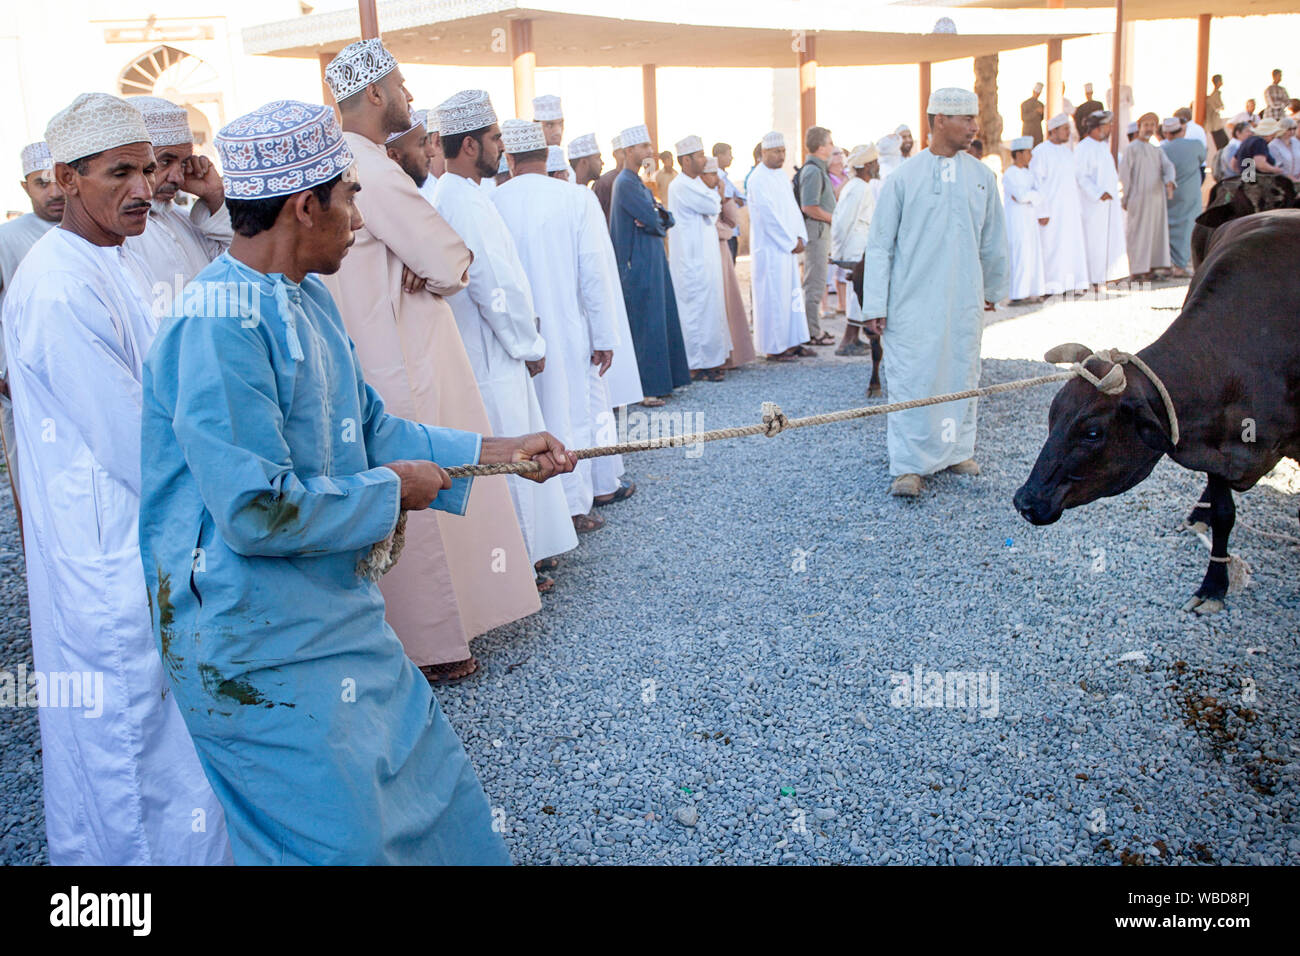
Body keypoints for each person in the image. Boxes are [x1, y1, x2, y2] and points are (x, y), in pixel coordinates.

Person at [140, 99, 576, 865]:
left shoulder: (306, 297)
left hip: (335, 616)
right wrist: (390, 492)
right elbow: (255, 510)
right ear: (304, 207)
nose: (357, 211)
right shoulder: (215, 326)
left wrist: (505, 451)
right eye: (348, 195)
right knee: (334, 844)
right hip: (252, 645)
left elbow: (369, 428)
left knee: (432, 801)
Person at [3, 92, 229, 865]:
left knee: (164, 736)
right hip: (108, 549)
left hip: (142, 534)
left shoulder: (112, 257)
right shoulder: (59, 283)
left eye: (146, 168)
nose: (142, 188)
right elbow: (134, 439)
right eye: (117, 174)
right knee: (129, 744)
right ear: (65, 179)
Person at [323, 43, 543, 677]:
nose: (409, 98)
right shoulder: (373, 166)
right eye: (400, 85)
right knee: (421, 489)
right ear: (373, 95)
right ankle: (435, 645)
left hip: (364, 357)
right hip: (399, 361)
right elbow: (450, 261)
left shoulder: (347, 163)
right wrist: (431, 268)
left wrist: (421, 266)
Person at [429, 96, 582, 552]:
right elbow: (494, 287)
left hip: (489, 352)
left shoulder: (463, 195)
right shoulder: (464, 201)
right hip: (494, 356)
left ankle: (527, 561)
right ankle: (523, 568)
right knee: (512, 461)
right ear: (472, 145)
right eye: (496, 138)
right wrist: (529, 345)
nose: (502, 146)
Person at [861, 88, 1008, 498]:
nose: (974, 127)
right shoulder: (903, 178)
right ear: (939, 120)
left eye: (975, 119)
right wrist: (875, 303)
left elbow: (993, 239)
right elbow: (879, 244)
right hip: (911, 301)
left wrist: (993, 286)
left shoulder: (981, 176)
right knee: (913, 378)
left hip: (963, 297)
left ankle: (956, 450)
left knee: (961, 370)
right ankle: (909, 466)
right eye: (966, 119)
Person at [494, 119, 634, 526]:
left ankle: (545, 521)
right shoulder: (575, 198)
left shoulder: (494, 201)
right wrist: (604, 336)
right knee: (573, 416)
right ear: (545, 154)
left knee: (531, 419)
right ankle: (574, 509)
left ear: (510, 157)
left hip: (517, 336)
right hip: (570, 331)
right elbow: (594, 273)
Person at [0, 141, 64, 522]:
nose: (53, 192)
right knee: (35, 486)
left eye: (57, 180)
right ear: (25, 188)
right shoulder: (8, 238)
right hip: (23, 383)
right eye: (41, 183)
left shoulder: (95, 231)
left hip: (75, 376)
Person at [609, 123, 691, 406]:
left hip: (652, 261)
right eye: (644, 147)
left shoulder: (636, 182)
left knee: (661, 320)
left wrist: (655, 217)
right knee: (647, 326)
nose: (650, 151)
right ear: (629, 150)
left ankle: (665, 382)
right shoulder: (625, 183)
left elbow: (663, 217)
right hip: (639, 265)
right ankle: (647, 389)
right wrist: (655, 218)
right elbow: (654, 219)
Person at [122, 96, 231, 302]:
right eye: (165, 161)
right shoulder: (114, 235)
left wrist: (215, 196)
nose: (178, 178)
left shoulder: (183, 221)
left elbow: (241, 269)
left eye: (184, 163)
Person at [567, 133, 645, 411]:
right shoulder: (574, 197)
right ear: (585, 161)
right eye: (598, 157)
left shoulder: (586, 193)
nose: (602, 161)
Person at [667, 134, 730, 382]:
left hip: (706, 258)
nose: (704, 159)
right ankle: (695, 364)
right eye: (699, 155)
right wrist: (716, 197)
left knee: (709, 309)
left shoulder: (696, 185)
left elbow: (711, 211)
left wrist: (713, 200)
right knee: (694, 312)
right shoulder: (680, 185)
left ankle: (711, 362)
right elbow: (713, 207)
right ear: (686, 160)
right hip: (690, 261)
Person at [747, 131, 809, 362]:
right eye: (776, 152)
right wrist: (790, 241)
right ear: (764, 153)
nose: (781, 156)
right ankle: (775, 347)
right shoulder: (757, 179)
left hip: (789, 248)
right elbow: (768, 217)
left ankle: (793, 342)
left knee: (791, 296)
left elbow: (793, 209)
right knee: (774, 298)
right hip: (772, 250)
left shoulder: (781, 176)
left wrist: (800, 237)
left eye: (783, 151)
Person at [701, 156, 755, 369]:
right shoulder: (700, 194)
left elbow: (732, 221)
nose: (715, 178)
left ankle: (731, 354)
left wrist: (724, 197)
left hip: (722, 248)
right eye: (711, 174)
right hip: (709, 251)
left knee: (728, 299)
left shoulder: (718, 193)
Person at [1030, 114, 1089, 295]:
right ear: (1053, 131)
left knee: (1071, 246)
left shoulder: (1067, 151)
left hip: (1069, 210)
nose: (1068, 133)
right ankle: (1052, 286)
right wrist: (1041, 211)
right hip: (1051, 211)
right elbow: (1035, 183)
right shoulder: (1040, 152)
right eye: (1065, 129)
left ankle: (1071, 284)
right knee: (1052, 248)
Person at [830, 142, 879, 354]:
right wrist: (838, 253)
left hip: (860, 248)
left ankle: (853, 338)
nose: (878, 166)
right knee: (859, 293)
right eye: (874, 162)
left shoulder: (860, 186)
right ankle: (847, 341)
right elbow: (842, 224)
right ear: (866, 165)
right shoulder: (858, 187)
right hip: (855, 250)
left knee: (856, 294)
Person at [1075, 110, 1128, 289]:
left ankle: (1108, 276)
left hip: (1109, 204)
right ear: (1097, 128)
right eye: (1107, 126)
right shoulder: (1083, 148)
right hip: (1093, 206)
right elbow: (1081, 176)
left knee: (1110, 240)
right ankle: (1094, 279)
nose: (1110, 129)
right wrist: (1098, 193)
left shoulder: (1103, 146)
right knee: (1095, 242)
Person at [1118, 112, 1174, 280]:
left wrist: (1169, 181)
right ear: (1139, 127)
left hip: (1156, 198)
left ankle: (1150, 268)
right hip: (1138, 197)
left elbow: (1168, 166)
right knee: (1138, 233)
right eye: (1146, 125)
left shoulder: (1156, 150)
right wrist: (1125, 196)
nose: (1149, 128)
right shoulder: (1131, 148)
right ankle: (1137, 269)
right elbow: (1125, 174)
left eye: (1152, 125)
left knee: (1154, 233)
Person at [797, 125, 836, 346]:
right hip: (816, 231)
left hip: (820, 230)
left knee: (818, 280)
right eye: (829, 142)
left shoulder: (818, 169)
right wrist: (832, 218)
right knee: (815, 281)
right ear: (821, 147)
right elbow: (809, 206)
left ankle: (812, 327)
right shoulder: (813, 171)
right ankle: (812, 331)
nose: (832, 146)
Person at [1161, 116, 1206, 276]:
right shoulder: (1196, 145)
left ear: (1166, 133)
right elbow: (1202, 158)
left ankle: (1172, 263)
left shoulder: (1161, 149)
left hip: (1169, 191)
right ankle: (1183, 263)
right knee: (1189, 226)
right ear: (1182, 130)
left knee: (1171, 225)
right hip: (1190, 191)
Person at [1003, 136, 1046, 304]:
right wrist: (1031, 196)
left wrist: (1031, 196)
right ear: (1019, 154)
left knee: (1032, 254)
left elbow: (1040, 194)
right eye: (1028, 152)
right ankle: (1018, 294)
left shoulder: (1029, 174)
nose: (1031, 156)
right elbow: (1021, 196)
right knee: (1020, 255)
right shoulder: (1009, 174)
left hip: (1030, 220)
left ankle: (1032, 292)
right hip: (1016, 222)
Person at [712, 142, 744, 260]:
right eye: (729, 155)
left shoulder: (727, 180)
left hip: (732, 232)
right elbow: (719, 201)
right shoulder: (714, 179)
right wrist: (729, 200)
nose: (731, 158)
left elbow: (742, 200)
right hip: (723, 232)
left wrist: (731, 200)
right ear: (719, 156)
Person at [593, 134, 624, 222]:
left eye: (628, 152)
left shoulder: (636, 181)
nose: (626, 156)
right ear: (614, 154)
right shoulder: (603, 182)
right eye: (622, 152)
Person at [1206, 75, 1228, 151]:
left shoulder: (1215, 94)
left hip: (1215, 125)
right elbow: (1219, 107)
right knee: (1223, 147)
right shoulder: (1214, 96)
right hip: (1215, 126)